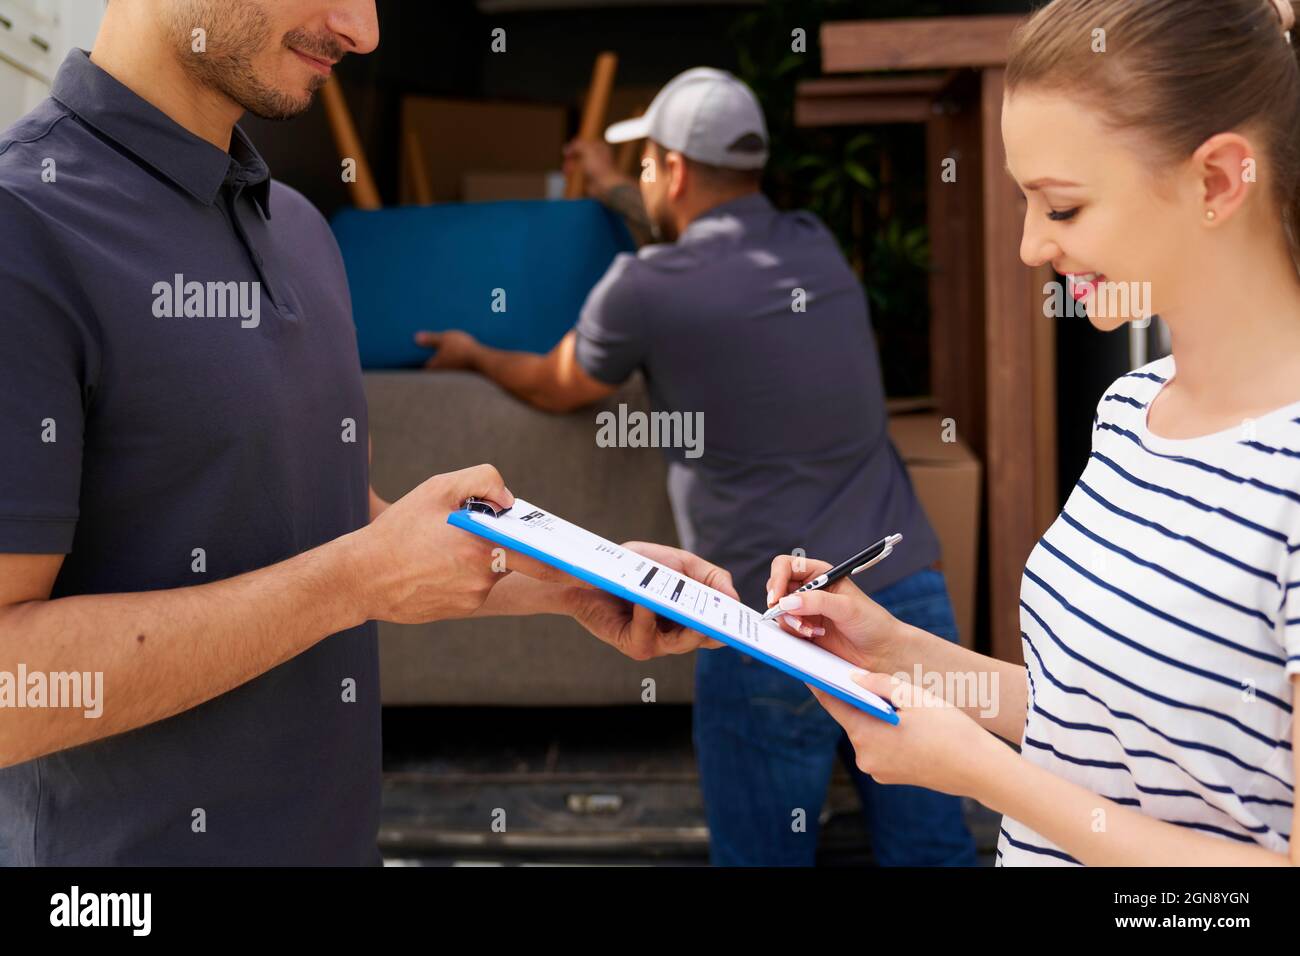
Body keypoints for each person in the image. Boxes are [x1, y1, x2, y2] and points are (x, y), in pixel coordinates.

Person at [0, 0, 733, 866]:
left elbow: (345, 532)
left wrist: (584, 578)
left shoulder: (303, 233)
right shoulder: (24, 228)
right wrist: (351, 583)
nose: (364, 30)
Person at [775, 0, 1300, 866]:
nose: (1028, 248)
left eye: (1061, 208)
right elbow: (1097, 722)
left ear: (1218, 180)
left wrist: (984, 776)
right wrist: (898, 651)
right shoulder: (1132, 409)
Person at [418, 68, 977, 866]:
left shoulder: (641, 288)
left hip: (765, 620)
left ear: (673, 172)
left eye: (646, 165)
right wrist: (621, 186)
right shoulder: (816, 245)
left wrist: (475, 352)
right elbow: (704, 261)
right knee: (931, 853)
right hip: (903, 595)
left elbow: (555, 382)